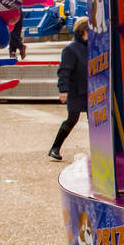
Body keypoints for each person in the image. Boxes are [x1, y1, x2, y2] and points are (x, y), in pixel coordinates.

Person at [49, 17, 88, 161]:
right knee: (72, 119)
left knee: (97, 121)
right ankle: (55, 148)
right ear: (84, 31)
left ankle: (99, 149)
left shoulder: (92, 46)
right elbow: (64, 71)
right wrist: (63, 90)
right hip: (76, 91)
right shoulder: (71, 49)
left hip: (91, 90)